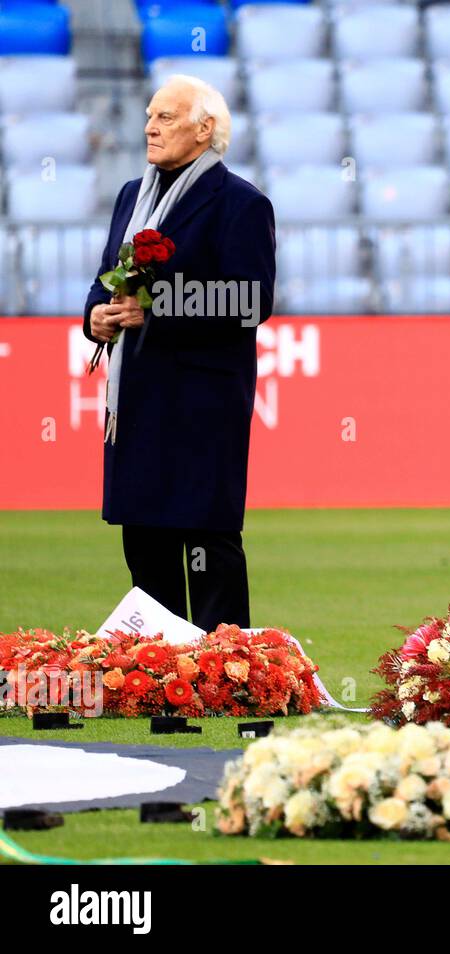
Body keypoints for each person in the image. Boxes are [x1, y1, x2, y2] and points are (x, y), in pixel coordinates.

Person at [82, 75, 276, 632]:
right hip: (138, 395)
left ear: (205, 128)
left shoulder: (241, 202)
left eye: (166, 116)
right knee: (144, 539)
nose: (150, 126)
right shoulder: (130, 195)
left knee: (209, 541)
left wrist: (157, 309)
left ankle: (228, 671)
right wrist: (95, 317)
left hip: (201, 402)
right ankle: (161, 668)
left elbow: (251, 300)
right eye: (149, 115)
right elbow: (105, 281)